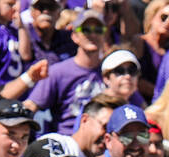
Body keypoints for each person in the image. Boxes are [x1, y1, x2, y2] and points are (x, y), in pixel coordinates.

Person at [23, 8, 107, 137]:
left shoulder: (112, 70)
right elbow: (30, 106)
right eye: (86, 30)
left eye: (98, 30)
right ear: (74, 36)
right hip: (68, 143)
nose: (93, 35)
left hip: (104, 143)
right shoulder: (58, 72)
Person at [38, 91, 121, 157]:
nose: (107, 136)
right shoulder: (54, 143)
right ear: (84, 120)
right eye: (105, 127)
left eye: (112, 131)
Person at [133, 0, 169, 102]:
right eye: (164, 17)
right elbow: (137, 82)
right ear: (152, 17)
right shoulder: (139, 42)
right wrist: (164, 94)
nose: (168, 22)